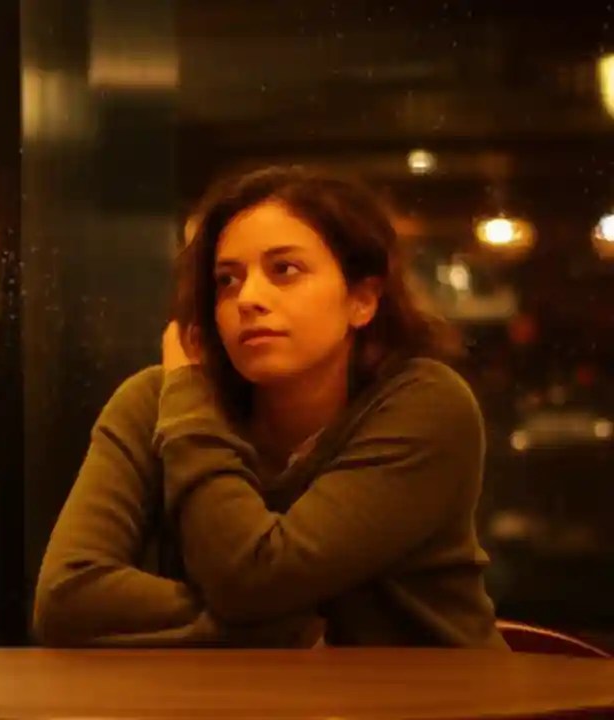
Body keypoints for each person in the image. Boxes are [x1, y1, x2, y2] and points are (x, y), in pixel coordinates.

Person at [34, 166, 505, 648]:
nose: (248, 299)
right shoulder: (158, 401)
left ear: (362, 299)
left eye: (285, 270)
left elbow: (252, 579)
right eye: (226, 280)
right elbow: (65, 598)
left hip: (436, 705)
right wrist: (288, 629)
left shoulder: (426, 403)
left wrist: (190, 415)